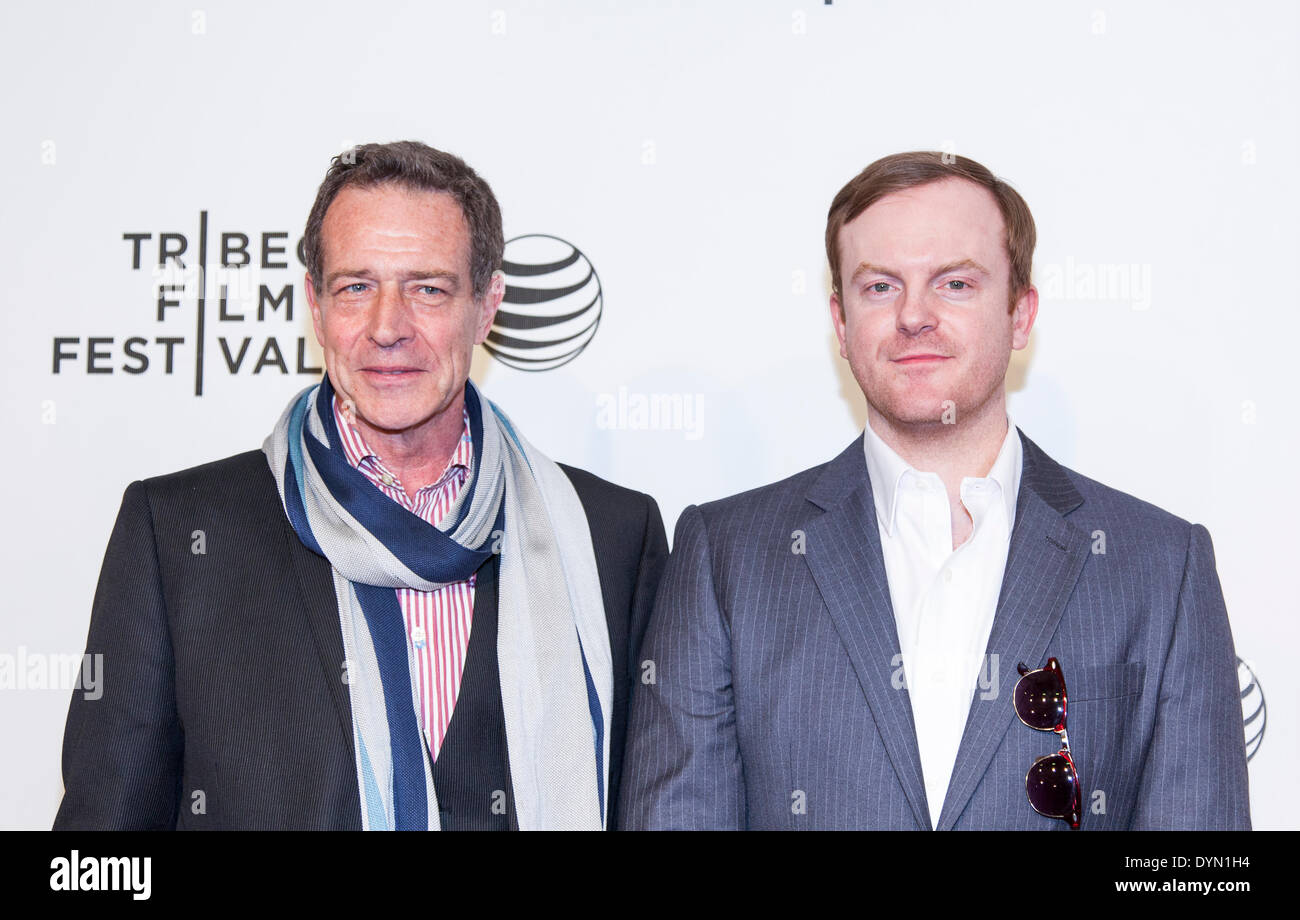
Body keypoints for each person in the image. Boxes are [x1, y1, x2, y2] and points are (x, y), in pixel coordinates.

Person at [619, 151, 1250, 830]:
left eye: (954, 283)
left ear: (1020, 315)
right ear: (840, 322)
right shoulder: (726, 559)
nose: (914, 315)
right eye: (880, 287)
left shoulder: (1159, 566)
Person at [54, 141, 668, 831]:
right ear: (315, 306)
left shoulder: (610, 538)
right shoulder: (178, 536)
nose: (387, 328)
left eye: (427, 288)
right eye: (356, 287)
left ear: (487, 304)